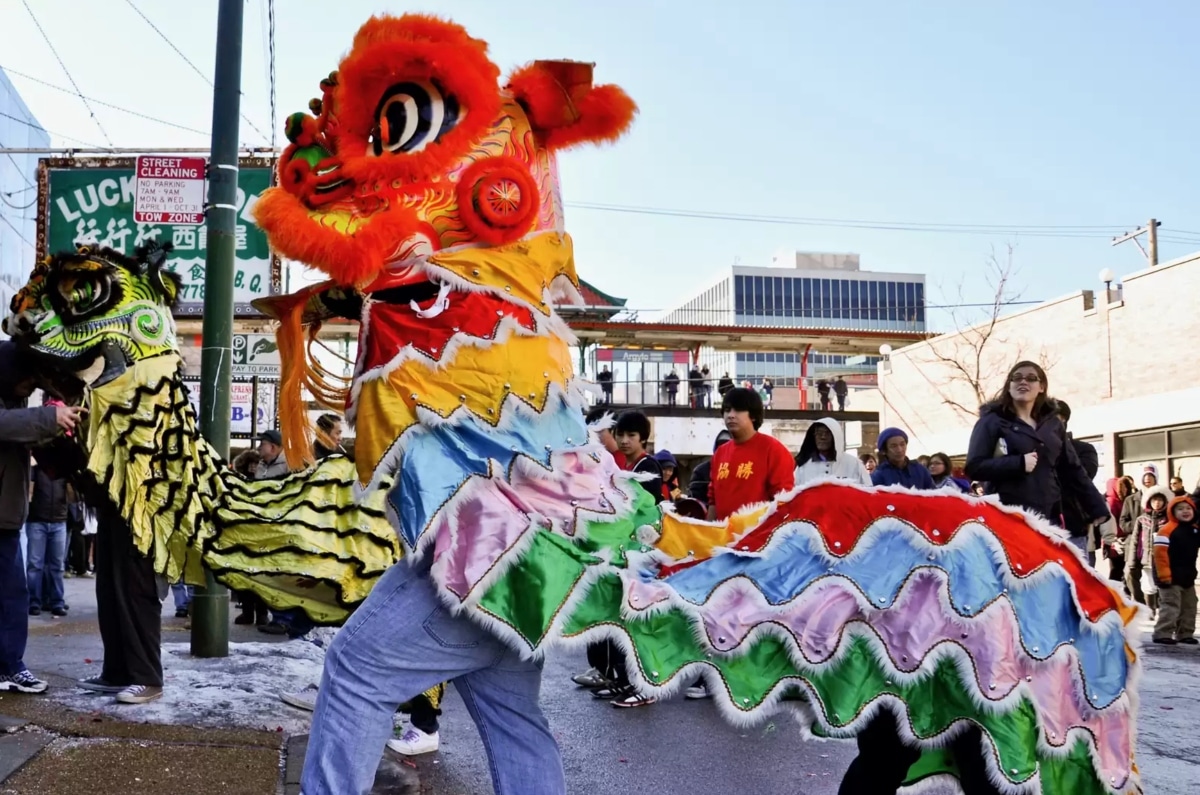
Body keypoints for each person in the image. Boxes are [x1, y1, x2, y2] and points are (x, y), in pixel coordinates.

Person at [689, 387, 793, 701]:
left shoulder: (773, 450)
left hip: (760, 551)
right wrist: (709, 536)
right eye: (726, 410)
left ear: (754, 416)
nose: (730, 415)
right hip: (724, 550)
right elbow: (712, 500)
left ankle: (761, 679)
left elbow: (783, 502)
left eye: (737, 410)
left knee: (757, 615)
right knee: (719, 611)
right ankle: (716, 677)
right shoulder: (722, 454)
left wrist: (770, 546)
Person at [0, 342, 83, 694]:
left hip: (7, 517)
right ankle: (10, 666)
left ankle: (8, 666)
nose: (29, 388)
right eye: (26, 381)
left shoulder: (15, 400)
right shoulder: (12, 406)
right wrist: (49, 418)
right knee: (13, 592)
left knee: (11, 594)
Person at [964, 362, 1108, 533]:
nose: (1023, 382)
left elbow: (1072, 469)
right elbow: (974, 466)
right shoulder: (992, 421)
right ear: (1009, 386)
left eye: (1031, 378)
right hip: (1008, 515)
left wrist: (1097, 508)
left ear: (1041, 387)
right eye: (1016, 378)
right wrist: (1018, 463)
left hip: (1049, 517)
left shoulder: (1052, 424)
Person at [585, 410, 661, 708]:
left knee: (637, 621)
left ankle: (645, 684)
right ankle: (623, 679)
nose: (625, 440)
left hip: (643, 556)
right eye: (622, 435)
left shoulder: (647, 467)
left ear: (644, 438)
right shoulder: (624, 466)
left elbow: (641, 514)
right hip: (625, 554)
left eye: (632, 435)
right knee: (621, 619)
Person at [1151, 495, 1199, 645]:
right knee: (1171, 605)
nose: (1185, 511)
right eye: (1180, 509)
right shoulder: (1166, 531)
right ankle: (1162, 632)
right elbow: (1159, 556)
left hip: (1187, 577)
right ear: (1172, 512)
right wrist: (1163, 575)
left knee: (1190, 606)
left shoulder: (1195, 530)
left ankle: (1185, 633)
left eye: (1188, 508)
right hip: (1169, 576)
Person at [26, 459, 70, 618]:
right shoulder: (35, 466)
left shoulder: (65, 467)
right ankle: (34, 601)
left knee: (56, 565)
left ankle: (56, 601)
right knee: (35, 564)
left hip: (58, 520)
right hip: (38, 520)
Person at [793, 418, 871, 486]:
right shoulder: (803, 467)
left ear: (836, 436)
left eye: (827, 433)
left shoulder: (854, 464)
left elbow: (868, 492)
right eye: (819, 433)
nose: (823, 437)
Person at [1134, 485, 1172, 621]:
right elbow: (1135, 540)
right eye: (1154, 500)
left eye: (1160, 500)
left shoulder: (1169, 519)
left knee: (1163, 586)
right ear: (1149, 502)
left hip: (1164, 559)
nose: (1157, 503)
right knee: (1148, 585)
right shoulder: (1141, 519)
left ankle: (1163, 613)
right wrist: (1133, 560)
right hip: (1146, 558)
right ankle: (1151, 611)